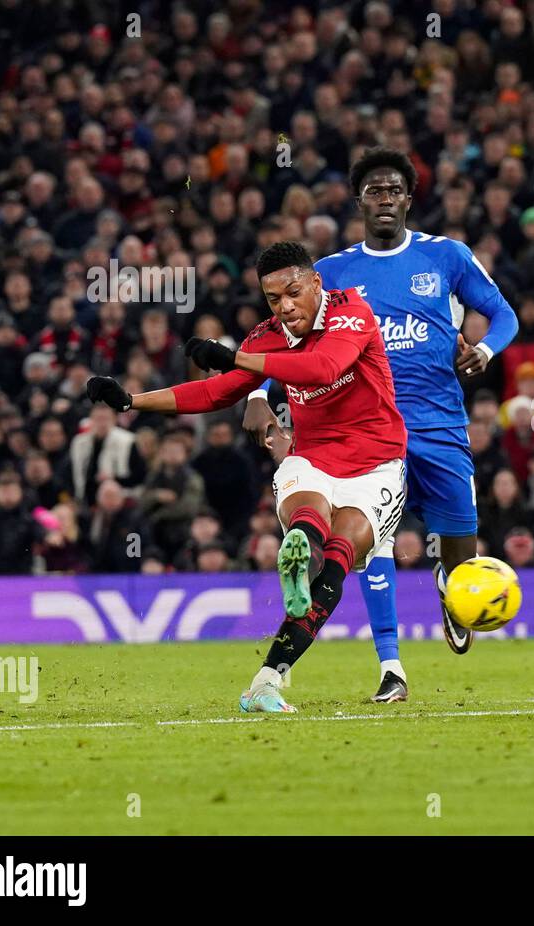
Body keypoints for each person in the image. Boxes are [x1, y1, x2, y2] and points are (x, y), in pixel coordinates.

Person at [241, 148, 519, 702]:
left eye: (395, 189)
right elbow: (283, 334)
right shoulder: (333, 272)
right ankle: (392, 668)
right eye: (375, 190)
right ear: (360, 200)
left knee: (460, 547)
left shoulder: (448, 256)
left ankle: (452, 588)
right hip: (362, 433)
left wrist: (486, 350)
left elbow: (505, 313)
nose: (385, 198)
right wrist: (256, 389)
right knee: (370, 544)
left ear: (409, 199)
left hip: (438, 425)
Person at [87, 241, 407, 713]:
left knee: (340, 560)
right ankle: (300, 546)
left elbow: (324, 368)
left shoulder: (350, 312)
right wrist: (133, 401)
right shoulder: (267, 335)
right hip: (312, 455)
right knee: (310, 515)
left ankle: (266, 679)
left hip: (377, 462)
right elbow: (215, 393)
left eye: (294, 293)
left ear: (316, 282)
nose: (286, 306)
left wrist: (236, 359)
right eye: (274, 299)